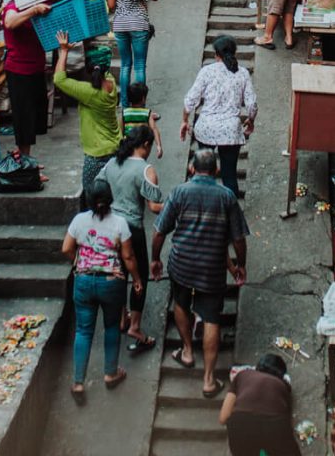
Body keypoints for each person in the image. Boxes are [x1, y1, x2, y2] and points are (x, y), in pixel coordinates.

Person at [151, 149, 250, 399]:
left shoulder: (179, 192)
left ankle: (186, 351)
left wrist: (155, 259)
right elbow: (238, 239)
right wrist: (240, 265)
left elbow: (160, 231)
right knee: (211, 318)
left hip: (181, 263)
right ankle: (208, 379)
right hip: (212, 267)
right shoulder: (227, 196)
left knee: (181, 304)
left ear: (192, 169)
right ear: (216, 170)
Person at [62, 178, 142, 402]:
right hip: (111, 283)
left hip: (84, 281)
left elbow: (66, 248)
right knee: (111, 327)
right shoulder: (119, 223)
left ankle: (78, 382)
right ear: (110, 199)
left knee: (83, 330)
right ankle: (110, 373)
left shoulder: (79, 221)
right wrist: (136, 279)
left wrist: (80, 262)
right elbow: (128, 256)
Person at [98, 126, 163, 353]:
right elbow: (154, 207)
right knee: (139, 277)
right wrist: (174, 205)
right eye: (150, 146)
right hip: (132, 229)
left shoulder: (111, 164)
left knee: (119, 273)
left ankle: (122, 317)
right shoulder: (146, 170)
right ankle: (135, 325)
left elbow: (97, 189)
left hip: (110, 228)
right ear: (145, 145)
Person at [181, 35, 257, 197]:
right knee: (229, 175)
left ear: (216, 55)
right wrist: (250, 120)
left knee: (203, 174)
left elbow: (190, 101)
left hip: (206, 129)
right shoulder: (242, 73)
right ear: (234, 53)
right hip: (230, 131)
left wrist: (185, 120)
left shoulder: (207, 71)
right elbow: (251, 104)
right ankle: (230, 213)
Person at [53, 29, 121, 196]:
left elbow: (58, 79)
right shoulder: (111, 83)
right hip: (115, 149)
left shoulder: (89, 93)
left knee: (91, 197)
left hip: (96, 155)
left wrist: (64, 51)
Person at [2, 0, 52, 161]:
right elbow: (10, 21)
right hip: (19, 71)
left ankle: (25, 159)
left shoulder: (29, 6)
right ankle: (25, 164)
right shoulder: (12, 7)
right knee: (24, 120)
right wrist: (33, 11)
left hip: (36, 69)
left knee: (34, 119)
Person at [106, 0, 158, 108]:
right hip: (140, 24)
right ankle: (140, 105)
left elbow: (111, 5)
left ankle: (124, 104)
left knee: (125, 65)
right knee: (140, 66)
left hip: (121, 26)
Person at [219, 353, 301, 456]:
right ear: (281, 374)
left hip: (240, 423)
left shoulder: (242, 375)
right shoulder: (283, 385)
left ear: (257, 367)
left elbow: (223, 417)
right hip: (274, 425)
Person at [122, 81, 163, 157]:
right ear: (143, 99)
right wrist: (159, 146)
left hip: (127, 145)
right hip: (142, 146)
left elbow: (121, 131)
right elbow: (154, 129)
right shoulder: (147, 113)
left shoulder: (124, 113)